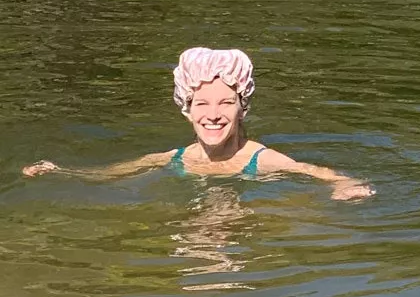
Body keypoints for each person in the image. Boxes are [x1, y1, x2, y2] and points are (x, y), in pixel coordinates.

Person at [22, 47, 373, 201]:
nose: (214, 113)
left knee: (221, 208)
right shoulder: (175, 157)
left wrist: (345, 185)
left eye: (226, 103)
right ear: (187, 110)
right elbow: (111, 173)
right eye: (202, 103)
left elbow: (315, 171)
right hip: (192, 221)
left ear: (242, 109)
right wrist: (60, 171)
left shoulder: (261, 159)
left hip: (243, 229)